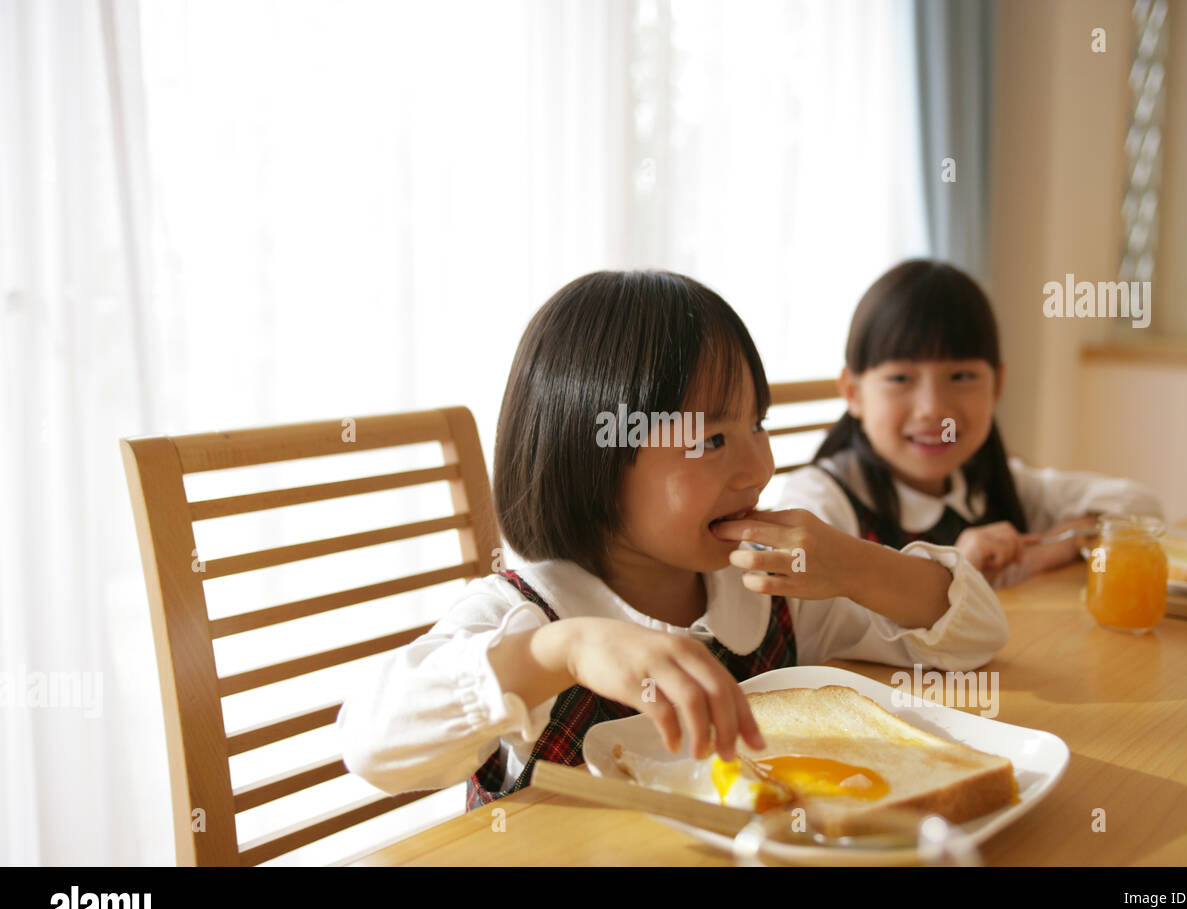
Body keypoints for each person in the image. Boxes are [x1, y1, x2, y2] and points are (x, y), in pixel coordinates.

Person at [339, 269, 1008, 807]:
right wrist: (563, 652)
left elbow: (978, 636)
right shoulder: (527, 615)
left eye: (757, 426)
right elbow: (370, 743)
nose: (758, 468)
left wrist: (859, 566)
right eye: (712, 439)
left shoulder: (767, 592)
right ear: (594, 458)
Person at [779, 259, 1163, 590]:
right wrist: (950, 574)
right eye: (900, 379)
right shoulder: (821, 503)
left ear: (998, 386)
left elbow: (1139, 507)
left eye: (961, 377)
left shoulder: (989, 483)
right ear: (853, 392)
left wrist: (1050, 547)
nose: (933, 409)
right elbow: (823, 630)